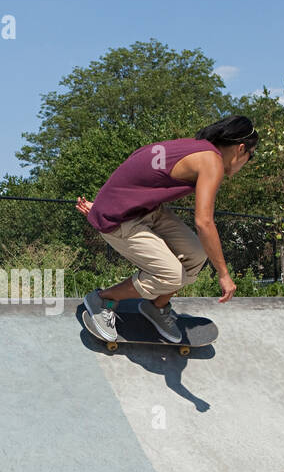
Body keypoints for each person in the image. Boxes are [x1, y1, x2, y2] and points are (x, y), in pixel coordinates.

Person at [75, 115, 257, 343]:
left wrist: (106, 202)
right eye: (251, 157)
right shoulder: (213, 162)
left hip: (143, 210)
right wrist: (224, 274)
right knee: (171, 275)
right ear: (241, 149)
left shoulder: (196, 148)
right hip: (121, 219)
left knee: (197, 255)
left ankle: (156, 307)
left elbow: (136, 168)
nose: (246, 163)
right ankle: (103, 299)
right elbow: (204, 222)